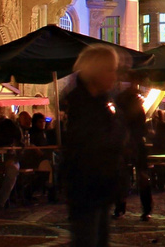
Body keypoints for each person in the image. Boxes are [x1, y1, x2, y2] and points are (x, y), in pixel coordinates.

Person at [58, 45, 126, 247]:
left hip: (99, 185)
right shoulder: (83, 105)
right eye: (110, 70)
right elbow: (91, 146)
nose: (114, 75)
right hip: (88, 185)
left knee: (97, 237)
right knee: (88, 239)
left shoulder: (101, 102)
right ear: (96, 71)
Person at [113, 78, 151, 222]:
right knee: (140, 177)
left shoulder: (122, 109)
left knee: (123, 177)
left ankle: (120, 208)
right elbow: (142, 129)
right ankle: (145, 209)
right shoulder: (134, 108)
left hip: (126, 144)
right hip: (133, 144)